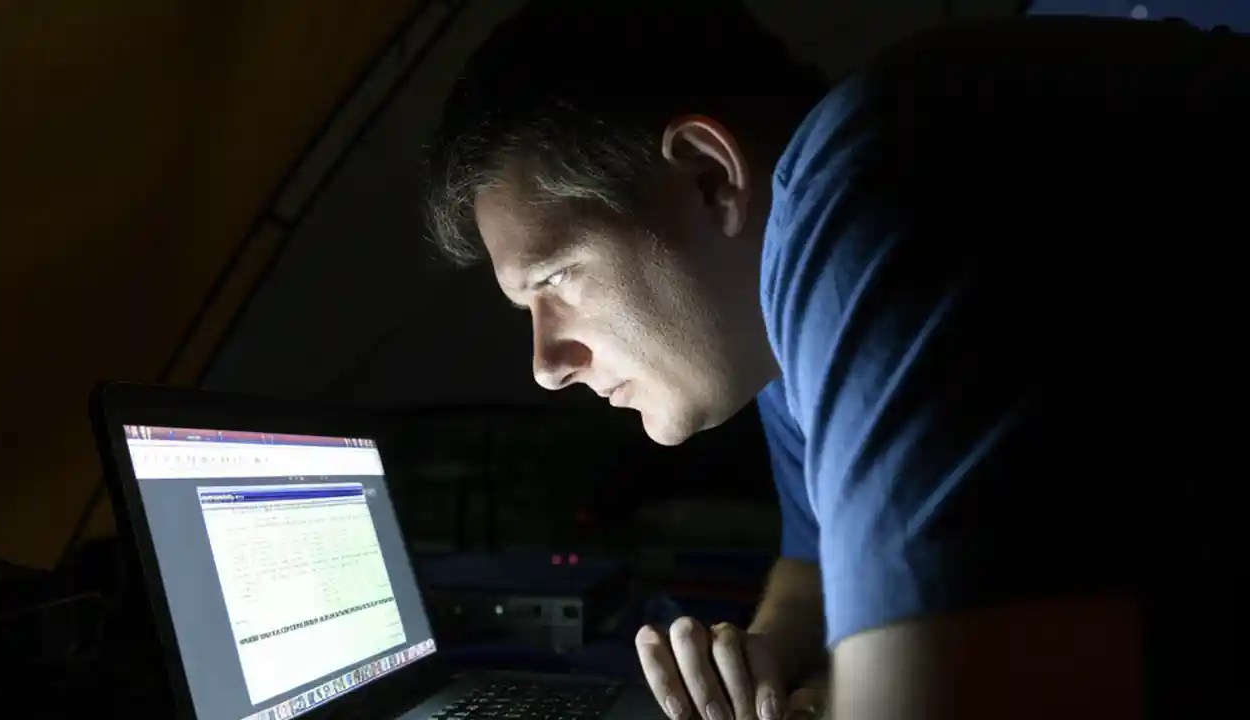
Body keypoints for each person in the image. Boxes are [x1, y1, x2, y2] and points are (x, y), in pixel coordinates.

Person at [424, 3, 1248, 719]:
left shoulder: (872, 182)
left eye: (556, 277)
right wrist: (769, 655)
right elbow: (811, 558)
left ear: (711, 179)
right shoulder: (784, 339)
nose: (544, 364)